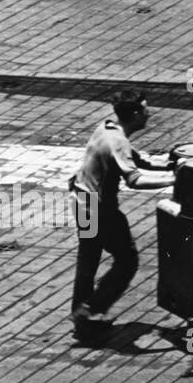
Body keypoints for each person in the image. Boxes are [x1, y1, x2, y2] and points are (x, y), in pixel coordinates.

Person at [70, 89, 176, 340]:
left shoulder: (108, 128)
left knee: (88, 260)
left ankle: (81, 316)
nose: (149, 113)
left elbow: (132, 158)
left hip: (81, 199)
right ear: (136, 114)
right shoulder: (117, 141)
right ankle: (91, 311)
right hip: (99, 209)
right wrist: (173, 179)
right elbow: (134, 179)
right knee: (127, 260)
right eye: (146, 109)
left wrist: (163, 164)